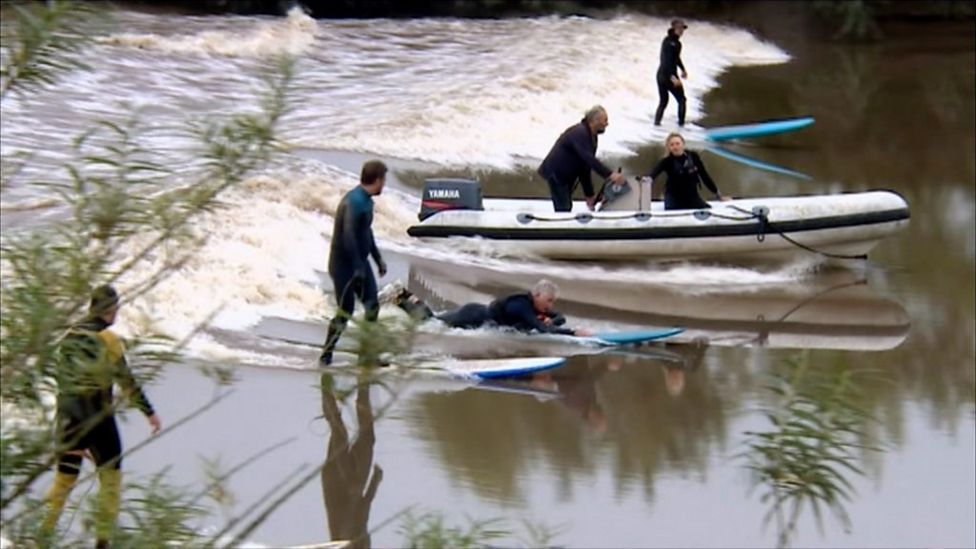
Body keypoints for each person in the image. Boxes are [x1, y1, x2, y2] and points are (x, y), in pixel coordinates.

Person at [42, 285, 162, 549]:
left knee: (63, 482)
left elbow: (62, 384)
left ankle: (40, 538)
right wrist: (149, 412)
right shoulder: (108, 339)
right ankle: (102, 544)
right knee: (110, 481)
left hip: (69, 420)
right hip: (98, 420)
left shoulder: (68, 337)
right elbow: (126, 381)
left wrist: (65, 430)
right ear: (109, 310)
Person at [319, 160, 389, 366]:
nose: (384, 185)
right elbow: (348, 235)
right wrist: (357, 266)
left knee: (372, 307)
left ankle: (366, 356)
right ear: (377, 180)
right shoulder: (353, 202)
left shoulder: (366, 201)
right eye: (383, 180)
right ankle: (326, 355)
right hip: (343, 265)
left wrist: (377, 259)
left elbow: (366, 232)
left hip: (360, 261)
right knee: (345, 311)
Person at [387, 279, 592, 337]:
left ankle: (403, 296)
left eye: (552, 302)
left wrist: (552, 320)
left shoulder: (536, 306)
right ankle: (399, 298)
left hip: (478, 313)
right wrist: (573, 333)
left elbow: (560, 317)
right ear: (537, 296)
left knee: (435, 318)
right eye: (548, 301)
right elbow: (540, 330)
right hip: (473, 316)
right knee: (430, 322)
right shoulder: (522, 306)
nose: (551, 306)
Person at [538, 105, 628, 212]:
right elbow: (589, 159)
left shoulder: (592, 136)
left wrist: (589, 195)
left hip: (567, 175)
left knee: (566, 205)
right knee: (564, 209)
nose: (607, 124)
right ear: (595, 121)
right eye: (605, 120)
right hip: (556, 173)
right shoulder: (580, 133)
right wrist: (610, 174)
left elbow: (585, 168)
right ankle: (561, 227)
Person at [641, 132, 732, 210]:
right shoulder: (667, 161)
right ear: (669, 148)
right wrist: (649, 178)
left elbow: (704, 176)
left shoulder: (693, 157)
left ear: (683, 144)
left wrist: (718, 195)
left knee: (707, 209)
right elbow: (655, 172)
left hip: (691, 196)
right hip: (673, 198)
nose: (675, 147)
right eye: (672, 145)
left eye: (677, 143)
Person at [654, 19, 689, 127]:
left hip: (660, 75)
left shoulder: (668, 41)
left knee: (663, 101)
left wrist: (683, 69)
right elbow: (667, 61)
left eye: (682, 28)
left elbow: (676, 58)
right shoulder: (673, 43)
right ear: (673, 29)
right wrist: (673, 78)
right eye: (679, 28)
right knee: (682, 100)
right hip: (667, 75)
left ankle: (656, 125)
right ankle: (681, 126)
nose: (681, 31)